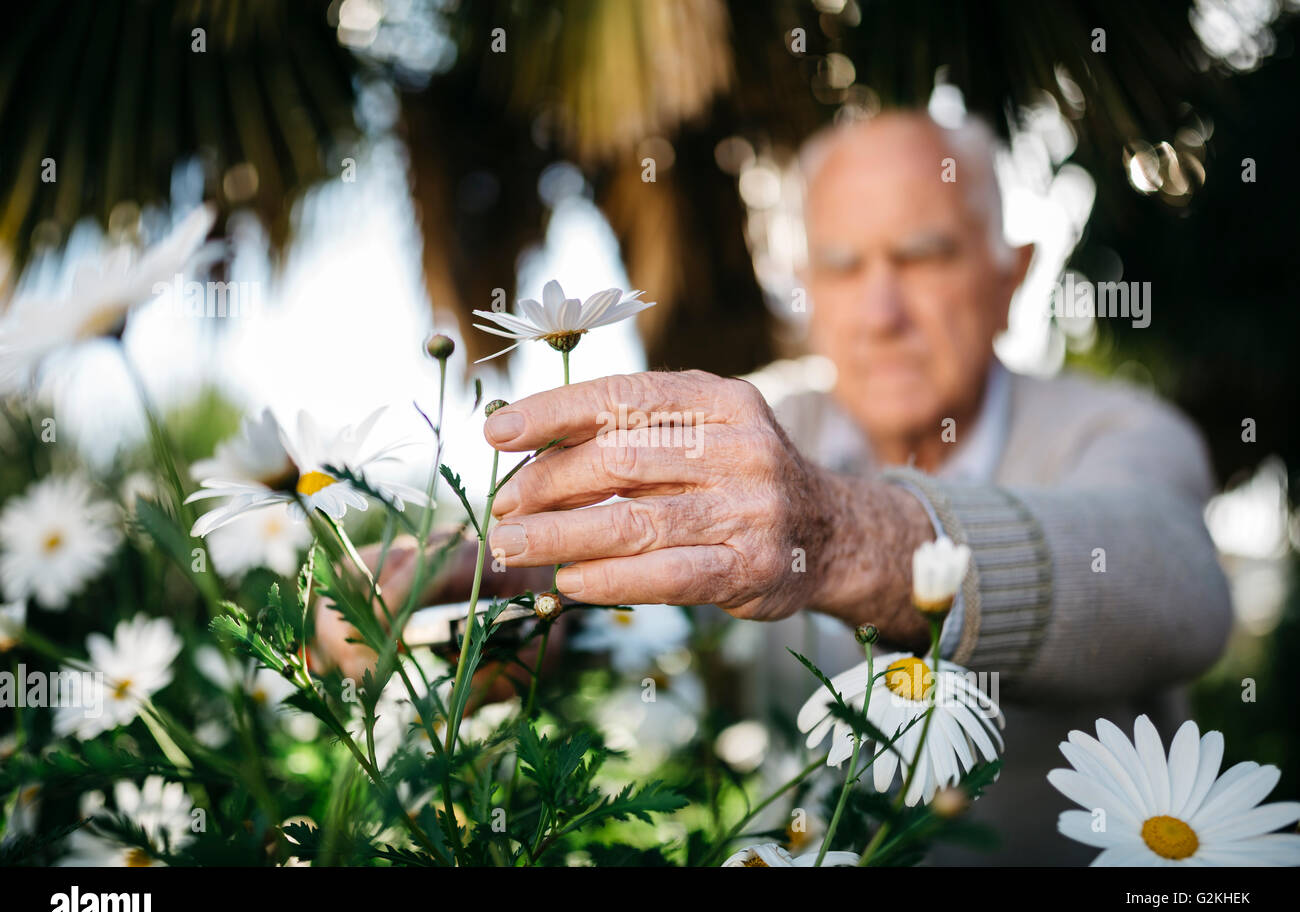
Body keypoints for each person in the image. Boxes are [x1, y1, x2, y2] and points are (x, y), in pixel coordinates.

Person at [317, 109, 1231, 865]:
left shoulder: (1116, 431)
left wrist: (841, 538)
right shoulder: (767, 418)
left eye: (923, 256)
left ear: (1011, 275)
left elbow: (1177, 586)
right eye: (842, 266)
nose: (881, 312)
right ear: (805, 285)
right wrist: (503, 605)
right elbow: (647, 621)